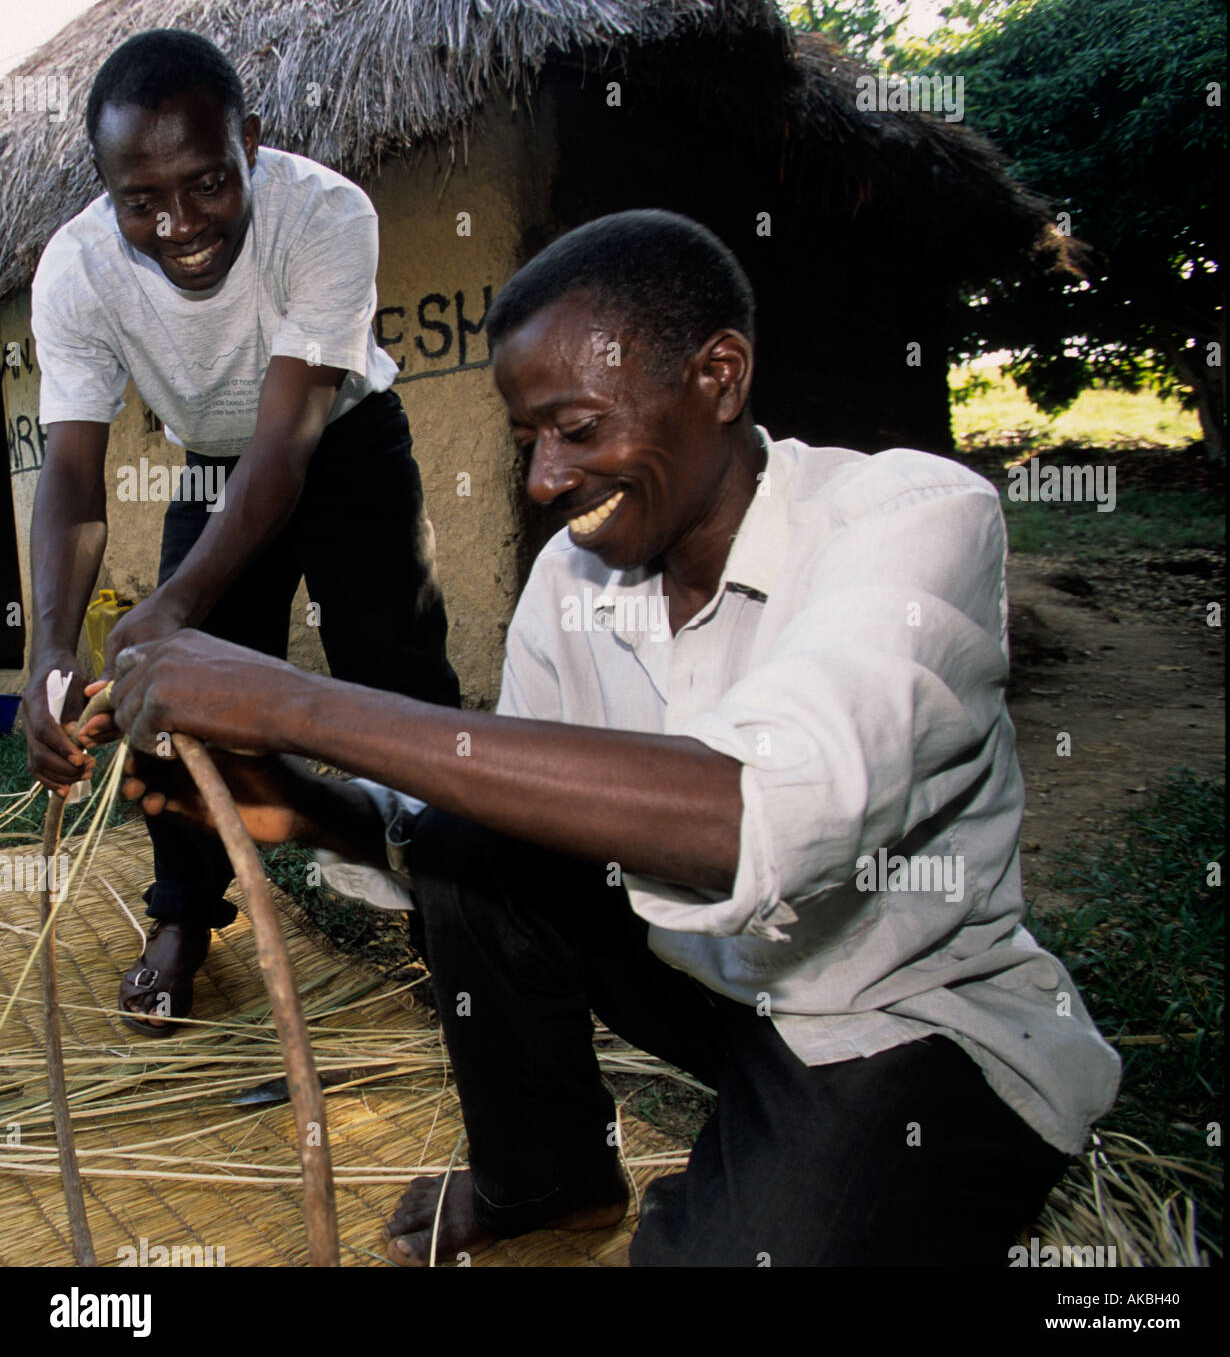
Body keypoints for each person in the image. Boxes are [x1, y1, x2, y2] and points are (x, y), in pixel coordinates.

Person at [99, 210, 1121, 1266]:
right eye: (528, 440)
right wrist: (305, 807)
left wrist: (296, 704)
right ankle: (547, 1177)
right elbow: (493, 830)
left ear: (720, 377)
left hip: (903, 1021)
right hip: (716, 988)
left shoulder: (912, 517)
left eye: (579, 429)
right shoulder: (573, 580)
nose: (544, 481)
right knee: (464, 833)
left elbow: (752, 817)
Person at [22, 29, 459, 1037]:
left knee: (398, 677)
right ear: (104, 189)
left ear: (250, 143)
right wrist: (49, 644)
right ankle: (181, 920)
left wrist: (173, 607)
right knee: (172, 711)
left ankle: (454, 920)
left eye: (208, 182)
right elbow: (76, 476)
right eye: (143, 200)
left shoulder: (327, 213)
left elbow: (287, 445)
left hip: (339, 438)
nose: (178, 222)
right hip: (214, 461)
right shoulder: (77, 272)